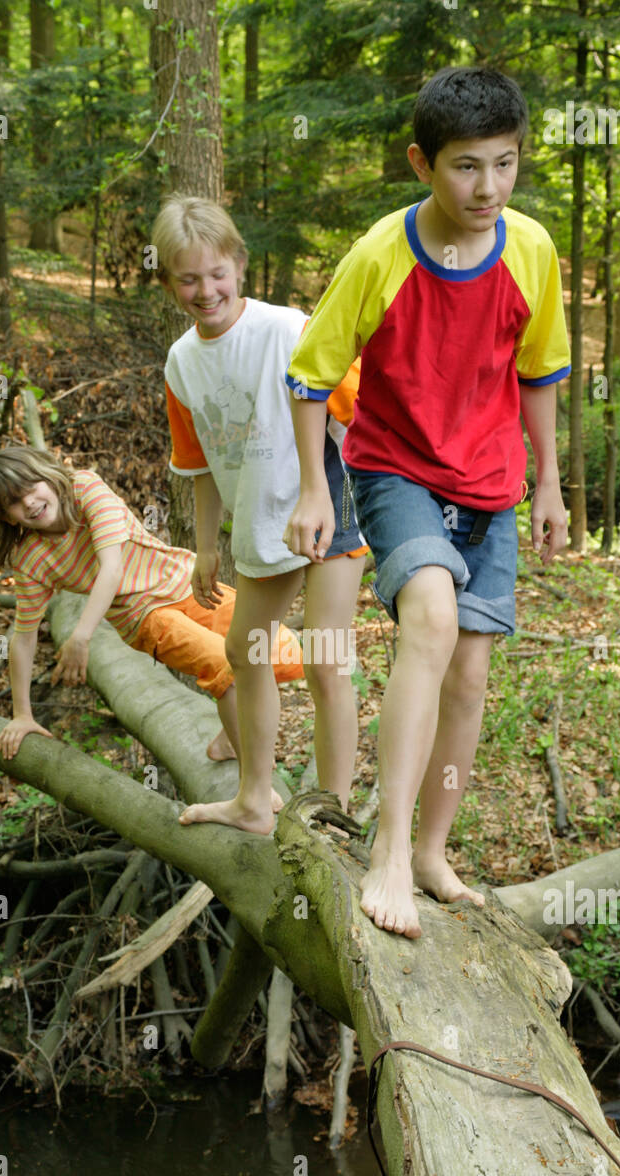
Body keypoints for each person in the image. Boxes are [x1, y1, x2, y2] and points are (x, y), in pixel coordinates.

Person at [285, 66, 571, 937]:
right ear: (421, 163)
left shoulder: (531, 251)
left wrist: (552, 481)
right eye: (465, 167)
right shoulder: (379, 256)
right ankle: (385, 849)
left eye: (505, 164)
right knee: (433, 625)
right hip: (396, 471)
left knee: (472, 676)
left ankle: (430, 853)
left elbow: (540, 374)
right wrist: (311, 488)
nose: (488, 188)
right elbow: (309, 375)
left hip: (492, 483)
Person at [154, 194, 367, 835]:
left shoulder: (289, 329)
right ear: (167, 283)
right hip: (257, 520)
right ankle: (255, 797)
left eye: (216, 274)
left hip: (328, 505)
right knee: (244, 653)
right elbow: (196, 462)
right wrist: (206, 545)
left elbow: (360, 409)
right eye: (188, 279)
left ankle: (333, 815)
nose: (205, 290)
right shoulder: (181, 362)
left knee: (326, 659)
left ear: (239, 266)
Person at [0, 445, 303, 787]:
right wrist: (22, 714)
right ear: (8, 517)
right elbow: (24, 635)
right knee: (226, 666)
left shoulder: (85, 488)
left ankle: (229, 741)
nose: (29, 503)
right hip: (143, 616)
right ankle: (254, 788)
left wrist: (80, 637)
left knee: (282, 651)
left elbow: (112, 566)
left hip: (185, 582)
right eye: (15, 503)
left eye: (30, 489)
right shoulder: (30, 558)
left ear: (47, 476)